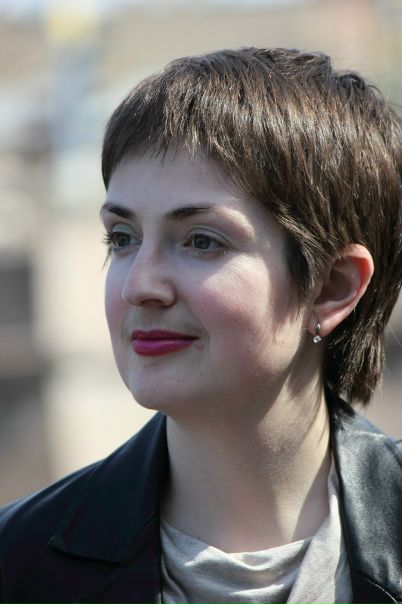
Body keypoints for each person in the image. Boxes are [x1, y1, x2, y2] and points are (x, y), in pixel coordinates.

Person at [0, 47, 401, 604]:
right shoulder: (19, 565)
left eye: (201, 241)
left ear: (332, 286)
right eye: (122, 238)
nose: (140, 285)